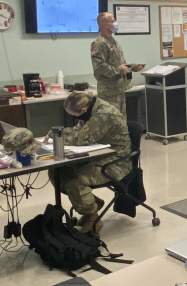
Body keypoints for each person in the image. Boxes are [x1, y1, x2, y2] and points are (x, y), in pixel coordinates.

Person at [50, 92, 131, 234]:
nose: (74, 118)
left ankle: (93, 217)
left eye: (74, 115)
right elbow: (79, 130)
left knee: (75, 181)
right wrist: (61, 132)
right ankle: (92, 205)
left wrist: (57, 136)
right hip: (98, 155)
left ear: (83, 110)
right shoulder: (91, 108)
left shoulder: (103, 114)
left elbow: (81, 139)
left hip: (116, 161)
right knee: (57, 172)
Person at [91, 12, 144, 118]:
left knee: (120, 123)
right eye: (113, 21)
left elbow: (119, 64)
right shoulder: (99, 44)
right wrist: (120, 70)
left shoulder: (113, 41)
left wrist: (133, 67)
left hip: (119, 90)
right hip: (108, 93)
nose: (116, 23)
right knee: (110, 124)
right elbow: (100, 68)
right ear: (105, 25)